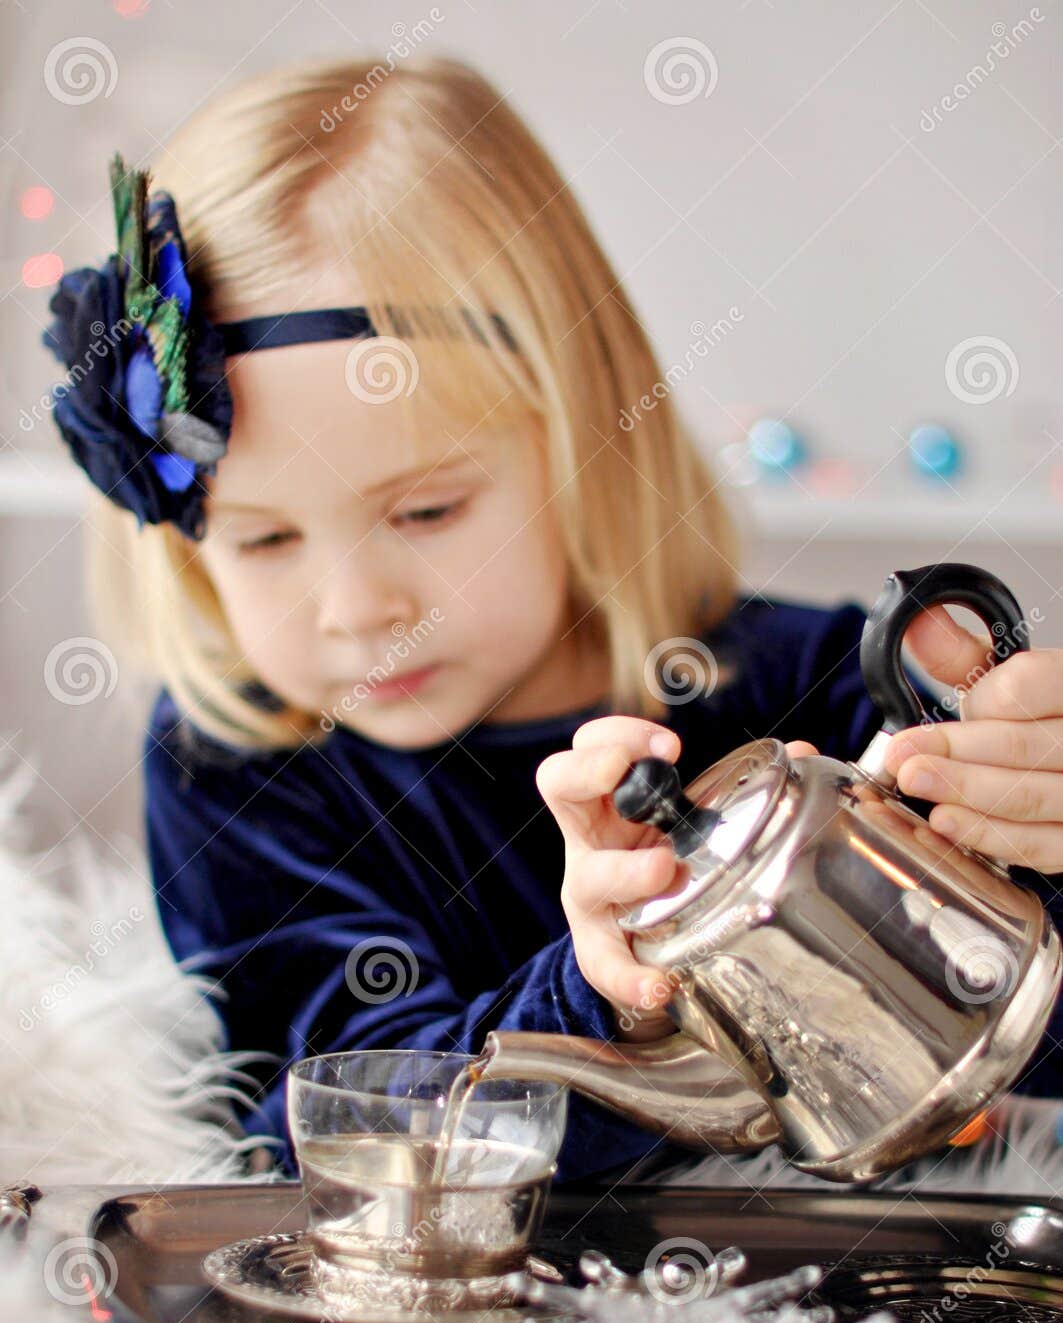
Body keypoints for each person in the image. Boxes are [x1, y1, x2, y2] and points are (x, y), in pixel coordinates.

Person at [42, 56, 1063, 1183]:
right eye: (265, 539)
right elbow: (352, 1127)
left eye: (425, 510)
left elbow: (1016, 1037)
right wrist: (601, 999)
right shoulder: (240, 768)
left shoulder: (811, 687)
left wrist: (1031, 842)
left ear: (585, 439)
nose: (358, 610)